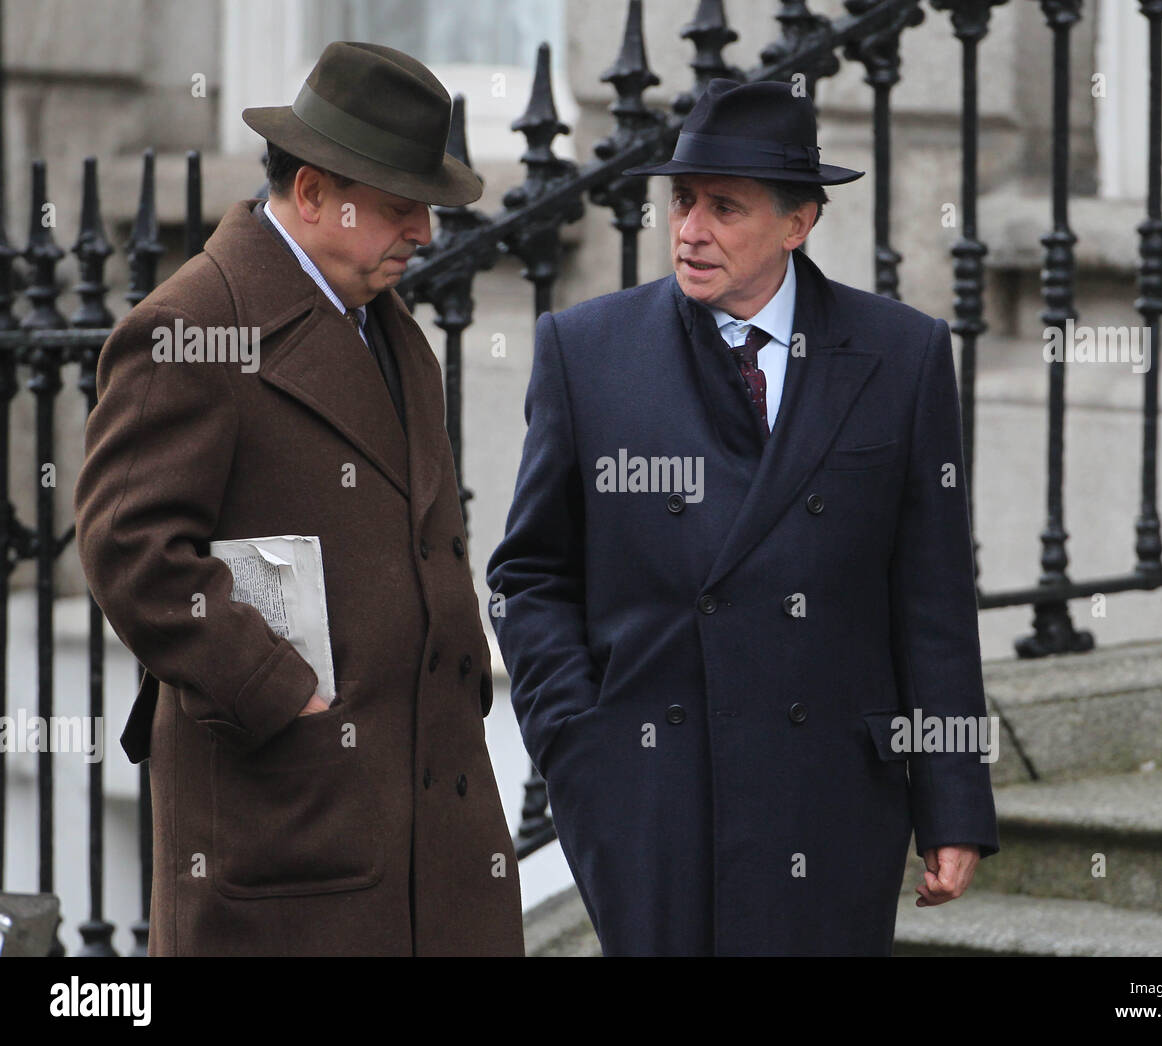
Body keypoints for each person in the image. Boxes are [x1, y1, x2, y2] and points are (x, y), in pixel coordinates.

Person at [487, 78, 999, 956]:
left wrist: (953, 797)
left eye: (725, 207)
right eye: (682, 201)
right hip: (656, 804)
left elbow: (935, 593)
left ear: (798, 224)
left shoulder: (903, 354)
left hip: (833, 803)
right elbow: (529, 576)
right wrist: (584, 751)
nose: (690, 230)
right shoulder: (588, 352)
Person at [75, 41, 523, 956]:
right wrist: (282, 695)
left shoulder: (387, 326)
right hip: (290, 817)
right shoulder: (191, 322)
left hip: (426, 819)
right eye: (402, 208)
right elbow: (131, 547)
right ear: (315, 192)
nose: (425, 236)